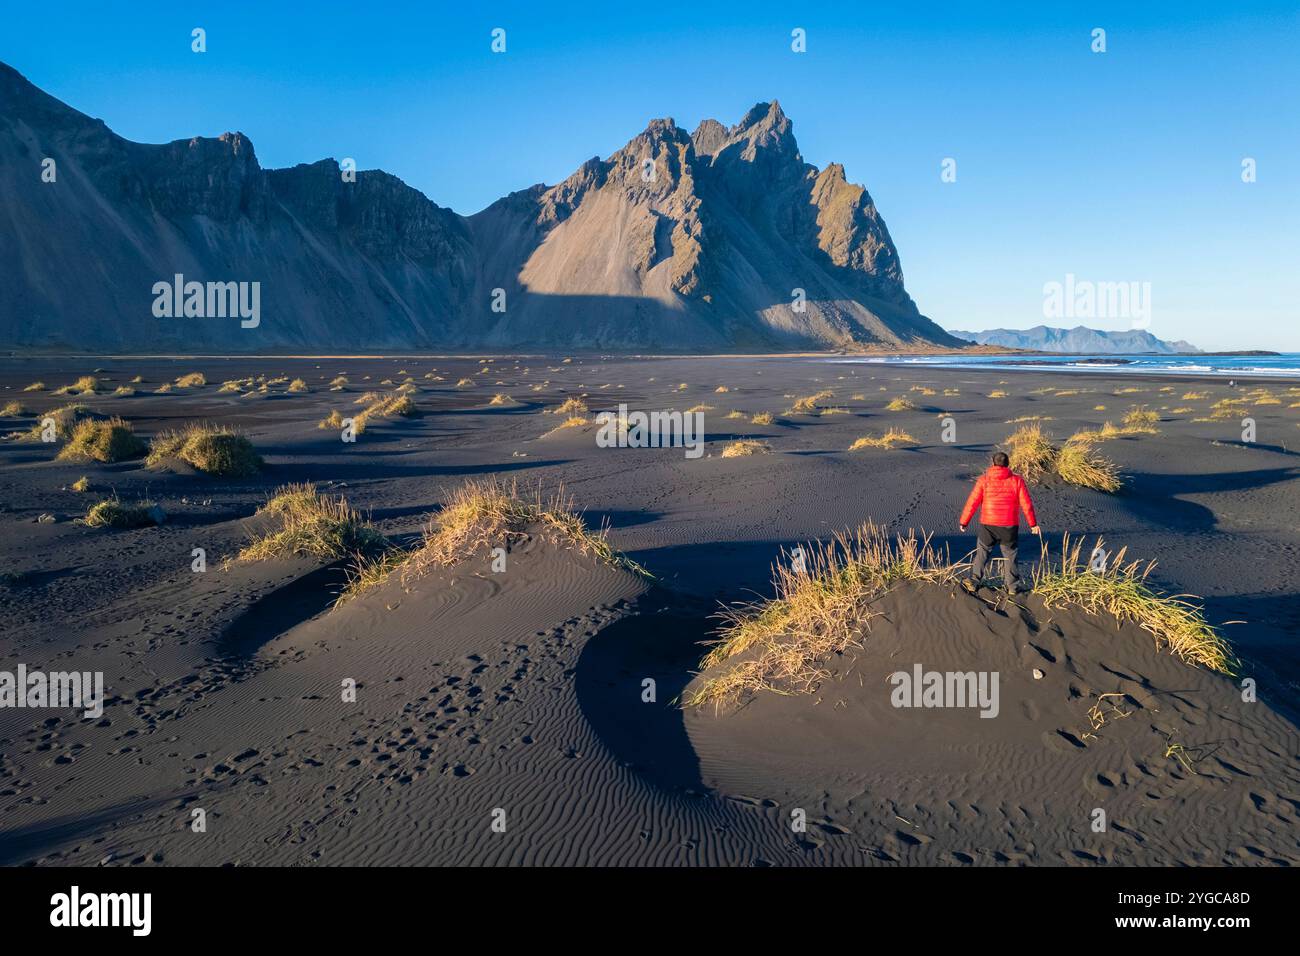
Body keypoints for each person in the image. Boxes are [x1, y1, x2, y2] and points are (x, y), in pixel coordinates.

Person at [958, 451, 1040, 594]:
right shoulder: (1017, 480)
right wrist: (1033, 525)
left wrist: (964, 522)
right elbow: (1026, 504)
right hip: (1009, 526)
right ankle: (1013, 587)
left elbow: (972, 502)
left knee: (982, 552)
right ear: (1007, 464)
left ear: (993, 463)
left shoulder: (983, 480)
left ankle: (975, 581)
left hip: (988, 525)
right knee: (1010, 555)